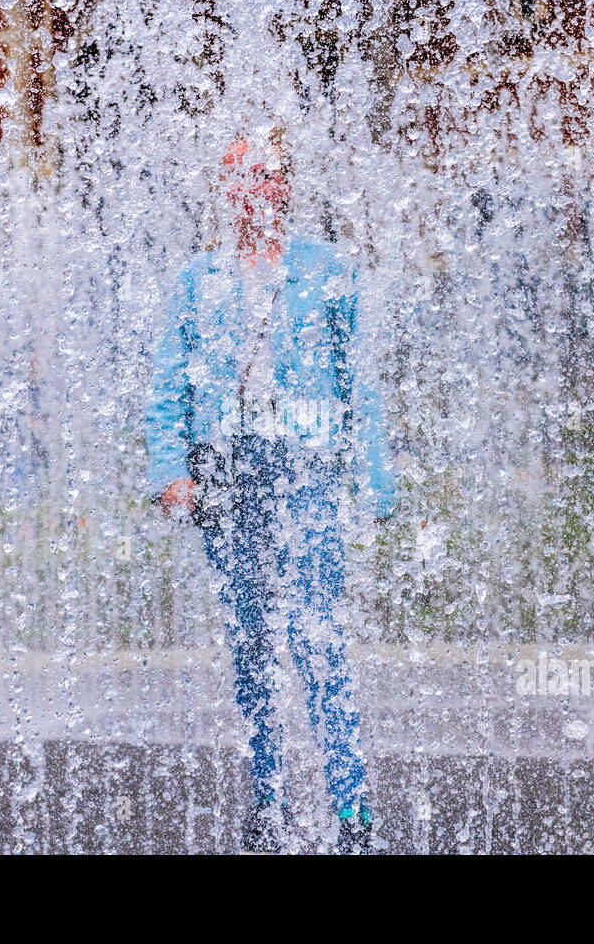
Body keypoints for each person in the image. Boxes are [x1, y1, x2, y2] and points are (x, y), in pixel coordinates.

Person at [145, 130, 395, 853]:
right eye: (241, 177)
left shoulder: (326, 269)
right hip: (228, 475)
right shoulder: (199, 278)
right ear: (225, 191)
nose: (255, 189)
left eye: (268, 176)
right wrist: (171, 469)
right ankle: (268, 797)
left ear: (285, 188)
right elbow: (167, 383)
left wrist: (372, 481)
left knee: (319, 633)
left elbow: (359, 382)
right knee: (251, 639)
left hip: (306, 470)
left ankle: (351, 806)